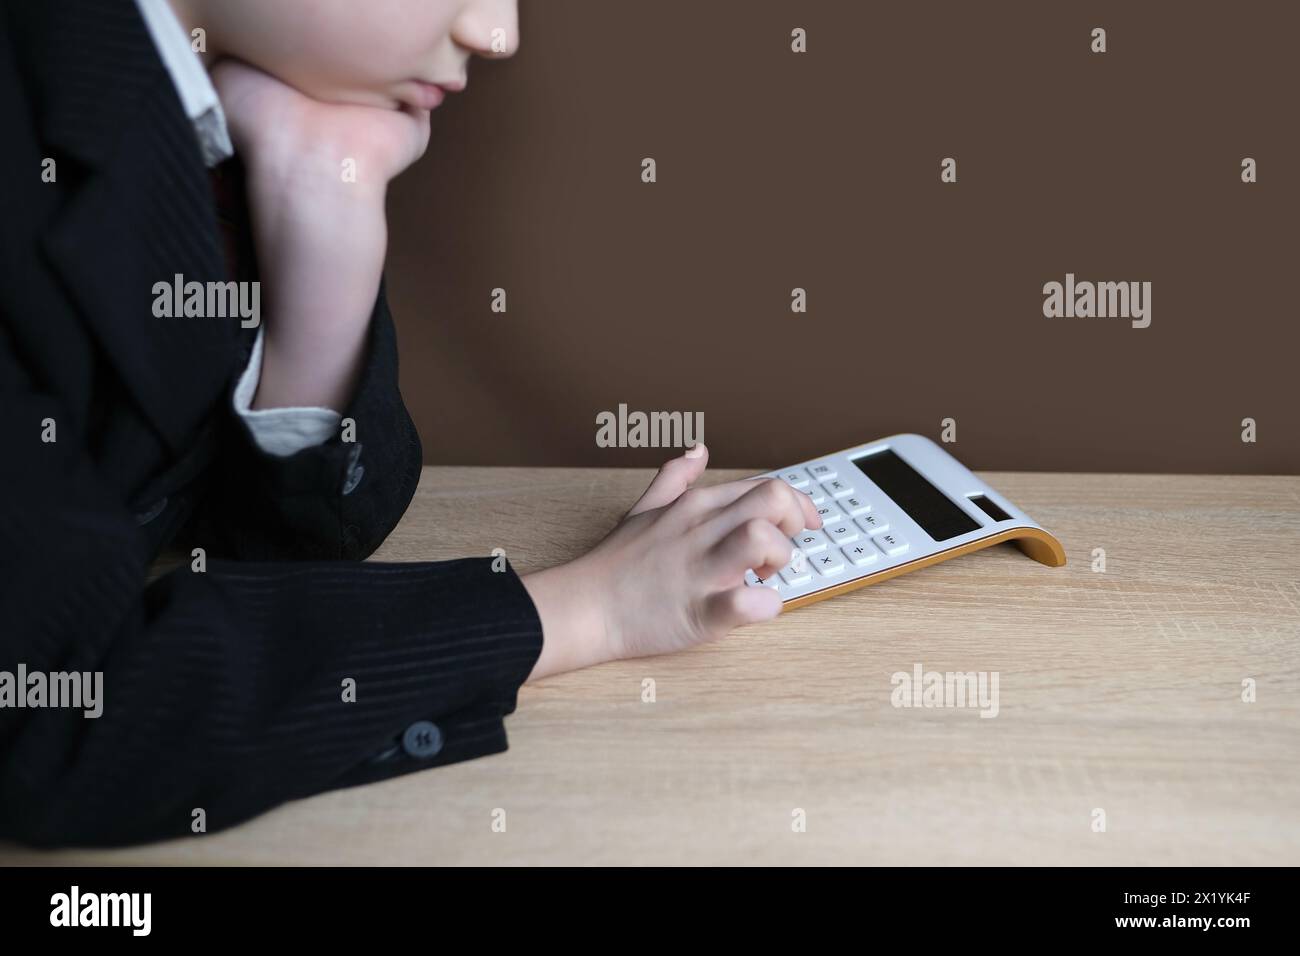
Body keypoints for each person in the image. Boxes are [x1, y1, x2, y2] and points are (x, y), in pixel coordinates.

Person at [0, 0, 821, 847]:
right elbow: (57, 723)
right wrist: (587, 610)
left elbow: (289, 538)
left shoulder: (217, 92)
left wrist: (321, 239)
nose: (495, 33)